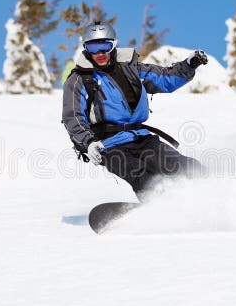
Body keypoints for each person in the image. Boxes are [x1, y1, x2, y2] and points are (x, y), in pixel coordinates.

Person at [61, 21, 208, 201]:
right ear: (86, 49)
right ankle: (162, 208)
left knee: (182, 166)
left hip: (141, 137)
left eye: (105, 46)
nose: (100, 53)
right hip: (109, 145)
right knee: (141, 177)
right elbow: (72, 117)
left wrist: (188, 65)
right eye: (93, 48)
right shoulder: (78, 80)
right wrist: (88, 143)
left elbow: (164, 79)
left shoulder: (131, 69)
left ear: (113, 45)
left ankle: (217, 195)